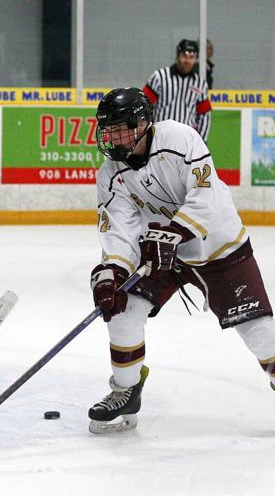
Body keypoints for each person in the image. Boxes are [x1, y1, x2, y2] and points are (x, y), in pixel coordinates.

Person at [87, 87, 275, 435]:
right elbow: (119, 230)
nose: (111, 138)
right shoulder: (110, 174)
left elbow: (207, 197)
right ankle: (126, 390)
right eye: (106, 130)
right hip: (158, 255)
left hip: (218, 245)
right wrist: (111, 274)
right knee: (123, 309)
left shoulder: (180, 138)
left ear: (143, 123)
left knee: (259, 332)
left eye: (119, 129)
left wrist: (175, 233)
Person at [142, 39, 211, 142]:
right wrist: (145, 136)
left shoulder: (200, 84)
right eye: (184, 56)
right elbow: (144, 106)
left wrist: (201, 142)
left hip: (186, 140)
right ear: (178, 55)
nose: (187, 61)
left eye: (191, 57)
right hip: (159, 138)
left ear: (195, 59)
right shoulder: (160, 77)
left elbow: (204, 115)